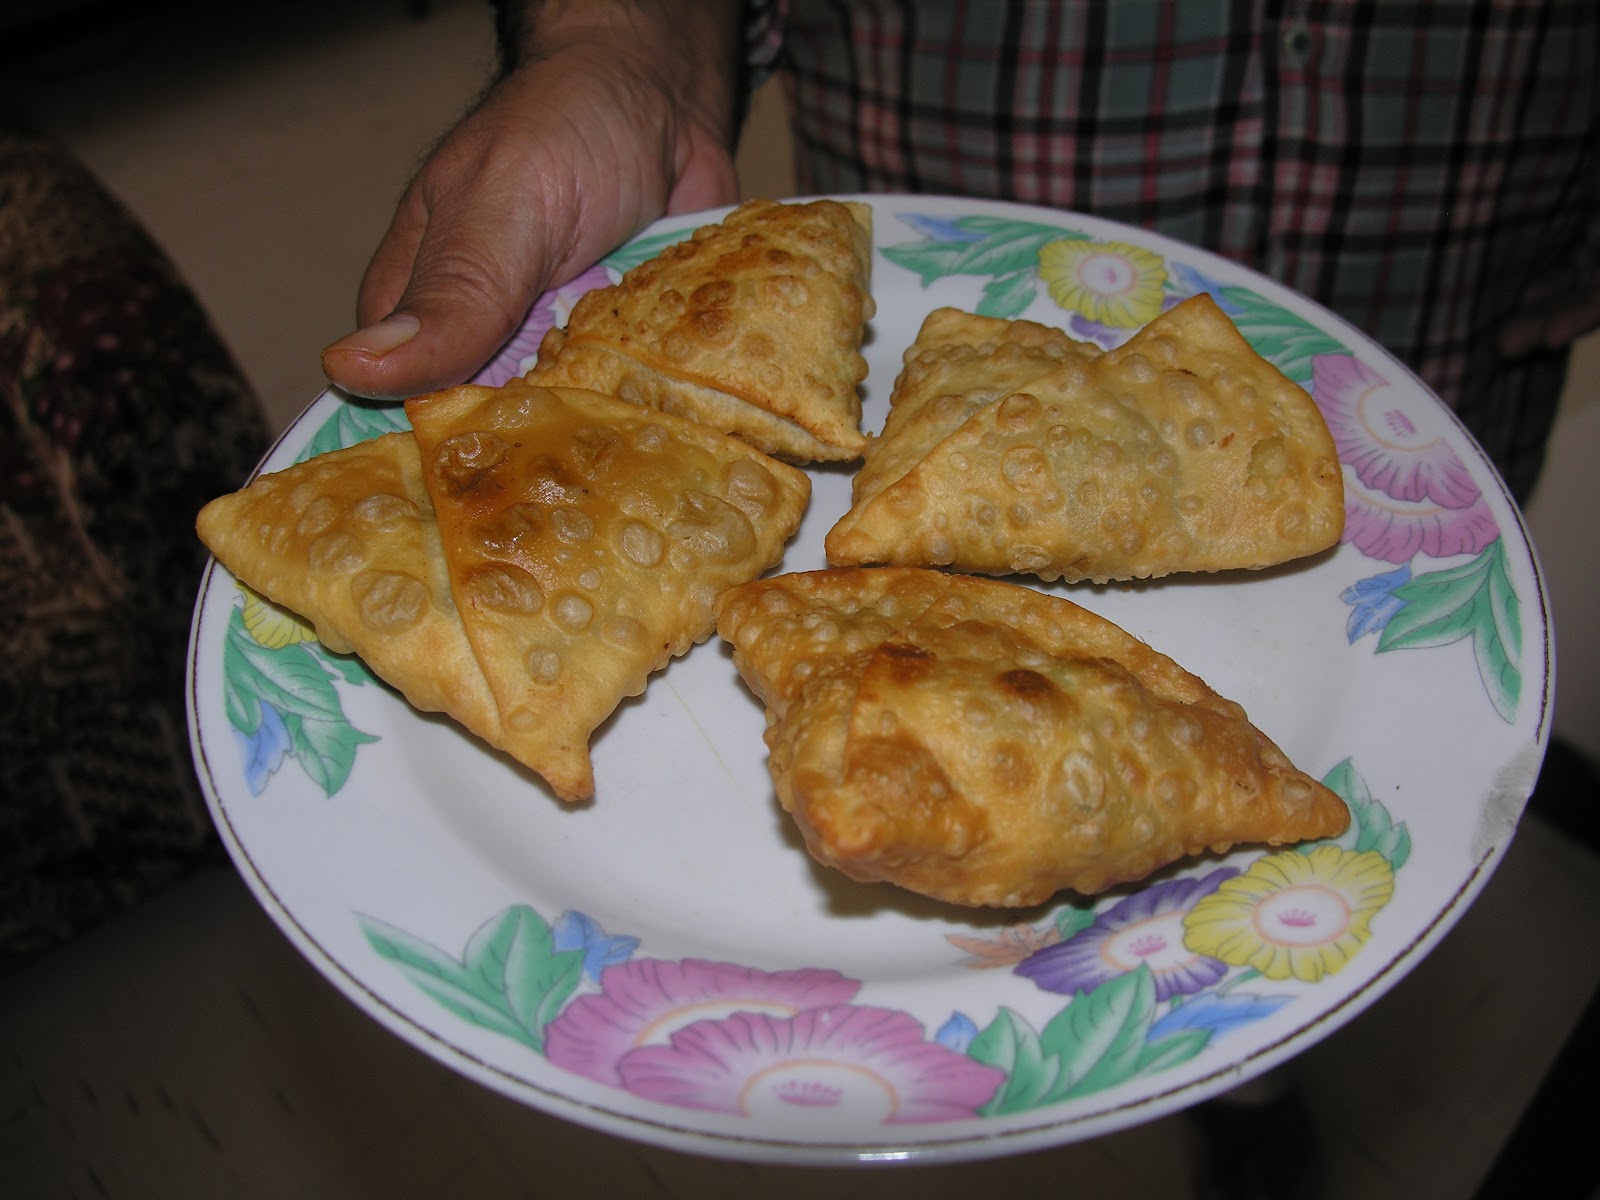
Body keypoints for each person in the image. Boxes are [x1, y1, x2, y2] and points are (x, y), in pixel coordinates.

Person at [322, 0, 1599, 507]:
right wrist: (617, 45)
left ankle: (1256, 1075)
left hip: (1455, 321)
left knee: (1383, 813)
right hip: (898, 323)